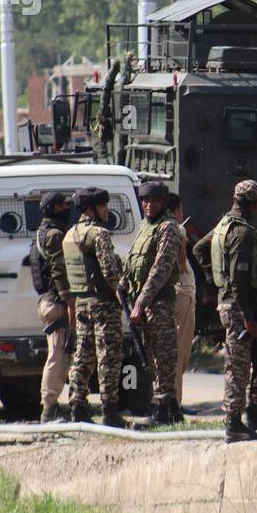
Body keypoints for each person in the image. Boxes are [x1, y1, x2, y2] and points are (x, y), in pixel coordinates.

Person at [195, 179, 257, 443]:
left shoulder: (222, 226)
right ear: (252, 203)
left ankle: (252, 410)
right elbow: (239, 279)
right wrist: (248, 317)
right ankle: (233, 423)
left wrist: (215, 280)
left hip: (234, 302)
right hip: (241, 306)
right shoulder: (241, 232)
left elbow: (199, 249)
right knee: (238, 366)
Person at [65, 187, 126, 427]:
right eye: (102, 206)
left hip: (82, 304)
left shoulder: (69, 234)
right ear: (90, 209)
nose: (107, 211)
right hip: (103, 305)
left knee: (82, 356)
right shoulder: (99, 234)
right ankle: (110, 411)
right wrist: (122, 293)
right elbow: (110, 271)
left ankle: (77, 407)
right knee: (108, 357)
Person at [125, 181, 184, 425]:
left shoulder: (168, 227)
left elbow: (161, 268)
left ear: (163, 202)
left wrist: (141, 301)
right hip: (142, 300)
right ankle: (167, 406)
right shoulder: (144, 226)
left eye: (154, 201)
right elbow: (134, 259)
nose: (149, 205)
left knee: (164, 354)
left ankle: (164, 406)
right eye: (145, 201)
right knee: (150, 354)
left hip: (157, 302)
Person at [32, 191, 75, 423]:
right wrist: (69, 302)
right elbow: (58, 271)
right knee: (57, 355)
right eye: (63, 206)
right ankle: (49, 410)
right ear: (55, 209)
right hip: (56, 303)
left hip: (47, 301)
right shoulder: (55, 235)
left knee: (60, 354)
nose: (67, 210)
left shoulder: (40, 232)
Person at [169, 194, 198, 410]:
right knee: (179, 352)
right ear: (177, 210)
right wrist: (183, 242)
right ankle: (174, 402)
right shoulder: (176, 231)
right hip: (182, 295)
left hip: (175, 296)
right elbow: (180, 266)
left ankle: (172, 399)